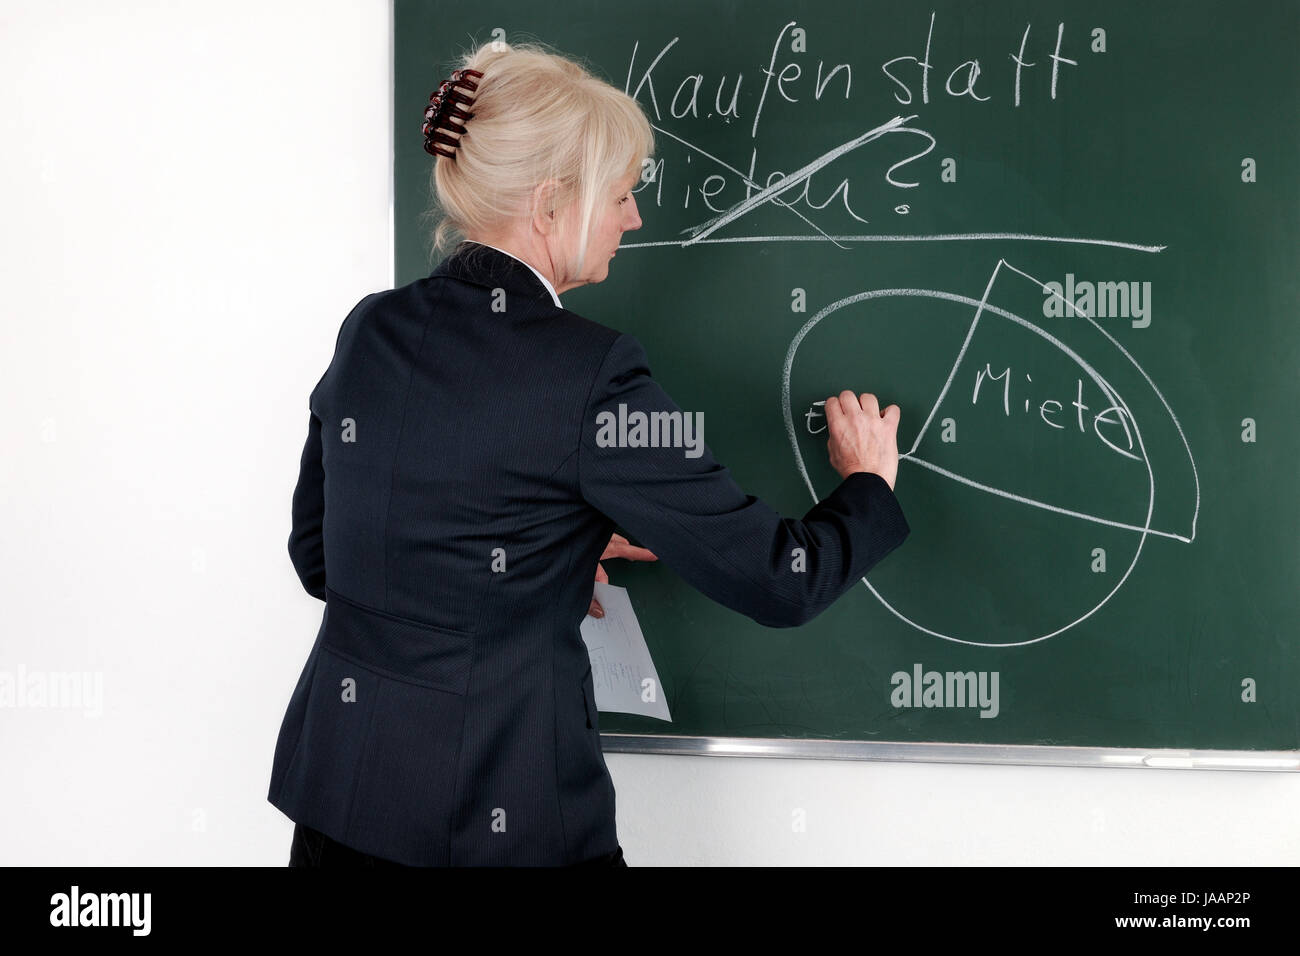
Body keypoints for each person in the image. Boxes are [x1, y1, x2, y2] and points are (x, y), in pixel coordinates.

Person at [267, 40, 909, 867]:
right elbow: (779, 579)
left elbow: (323, 558)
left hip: (339, 802)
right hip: (500, 821)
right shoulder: (593, 372)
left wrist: (546, 543)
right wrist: (868, 484)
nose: (634, 218)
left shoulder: (374, 328)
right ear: (549, 204)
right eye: (622, 193)